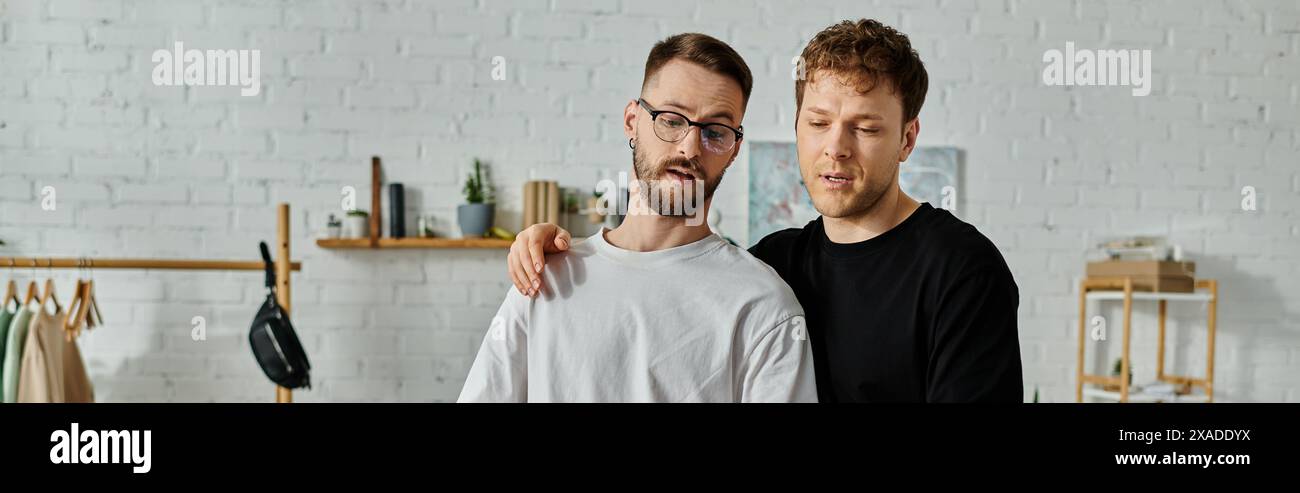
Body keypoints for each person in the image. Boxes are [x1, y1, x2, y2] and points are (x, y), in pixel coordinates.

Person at [504, 20, 1022, 403]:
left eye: (865, 128)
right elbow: (673, 279)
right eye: (819, 122)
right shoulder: (775, 265)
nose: (836, 149)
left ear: (908, 139)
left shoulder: (962, 270)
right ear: (797, 125)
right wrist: (569, 248)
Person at [459, 33, 816, 403]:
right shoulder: (542, 280)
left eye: (714, 131)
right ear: (632, 121)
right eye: (672, 120)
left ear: (733, 149)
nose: (689, 147)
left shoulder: (764, 306)